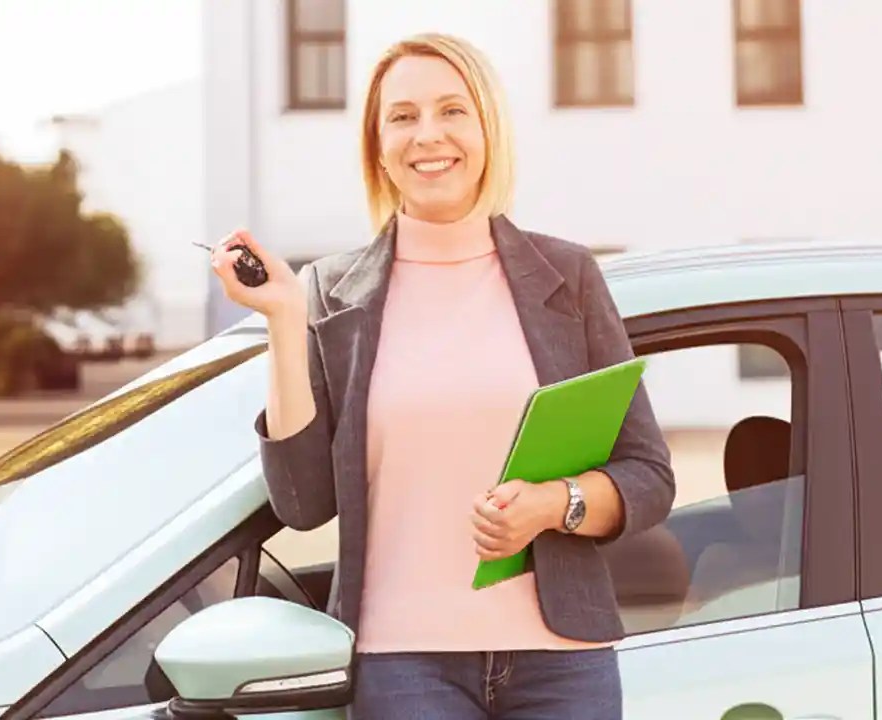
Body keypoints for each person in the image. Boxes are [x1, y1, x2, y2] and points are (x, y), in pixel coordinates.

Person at [206, 32, 675, 720]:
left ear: (487, 127)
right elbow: (303, 502)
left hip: (563, 662)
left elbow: (648, 476)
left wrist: (555, 504)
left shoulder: (568, 278)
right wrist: (283, 316)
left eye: (452, 110)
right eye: (402, 117)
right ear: (377, 145)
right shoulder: (331, 291)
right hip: (403, 667)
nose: (429, 135)